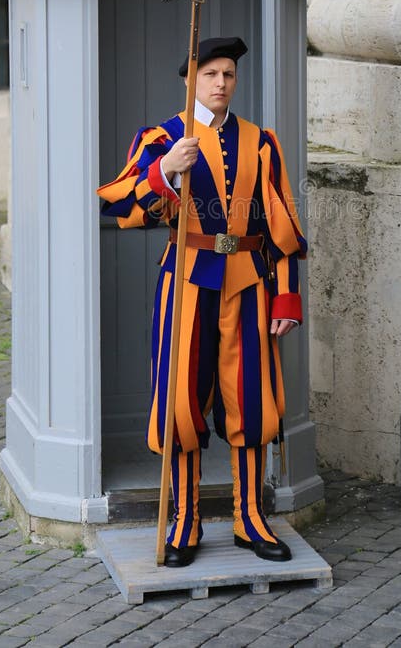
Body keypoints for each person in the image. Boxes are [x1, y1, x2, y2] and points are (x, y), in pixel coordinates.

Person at [97, 36, 307, 567]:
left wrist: (286, 297)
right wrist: (165, 169)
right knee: (181, 402)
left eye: (228, 75)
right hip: (188, 282)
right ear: (190, 80)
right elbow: (118, 204)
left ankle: (249, 518)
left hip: (248, 282)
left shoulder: (261, 141)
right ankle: (185, 520)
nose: (220, 83)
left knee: (251, 400)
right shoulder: (163, 137)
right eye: (210, 73)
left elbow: (279, 225)